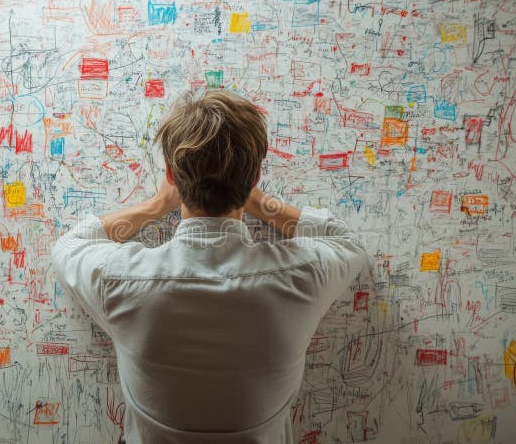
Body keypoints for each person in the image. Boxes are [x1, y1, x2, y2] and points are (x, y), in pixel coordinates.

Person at [52, 90, 370, 444]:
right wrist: (260, 203)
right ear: (254, 177)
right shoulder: (302, 275)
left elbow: (70, 244)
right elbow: (348, 243)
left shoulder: (120, 279)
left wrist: (157, 204)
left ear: (171, 175)